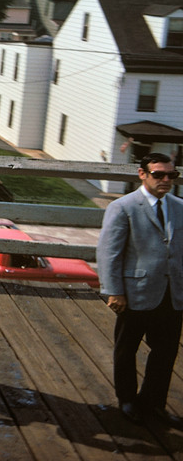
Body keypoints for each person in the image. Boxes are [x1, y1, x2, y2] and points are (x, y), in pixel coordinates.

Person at [97, 153, 183, 427]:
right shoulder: (123, 207)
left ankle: (153, 401)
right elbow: (109, 252)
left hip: (172, 293)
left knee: (165, 351)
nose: (166, 180)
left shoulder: (179, 206)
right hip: (135, 292)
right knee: (127, 349)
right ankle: (128, 400)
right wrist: (114, 291)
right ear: (142, 174)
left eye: (172, 175)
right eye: (159, 174)